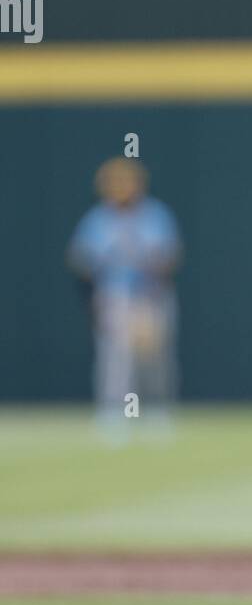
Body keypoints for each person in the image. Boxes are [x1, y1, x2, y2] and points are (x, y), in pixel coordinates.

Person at [67, 158, 182, 437]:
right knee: (115, 360)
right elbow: (79, 258)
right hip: (115, 296)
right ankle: (114, 414)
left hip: (150, 296)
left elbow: (170, 254)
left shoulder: (154, 215)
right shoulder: (98, 219)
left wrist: (147, 266)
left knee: (154, 360)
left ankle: (157, 413)